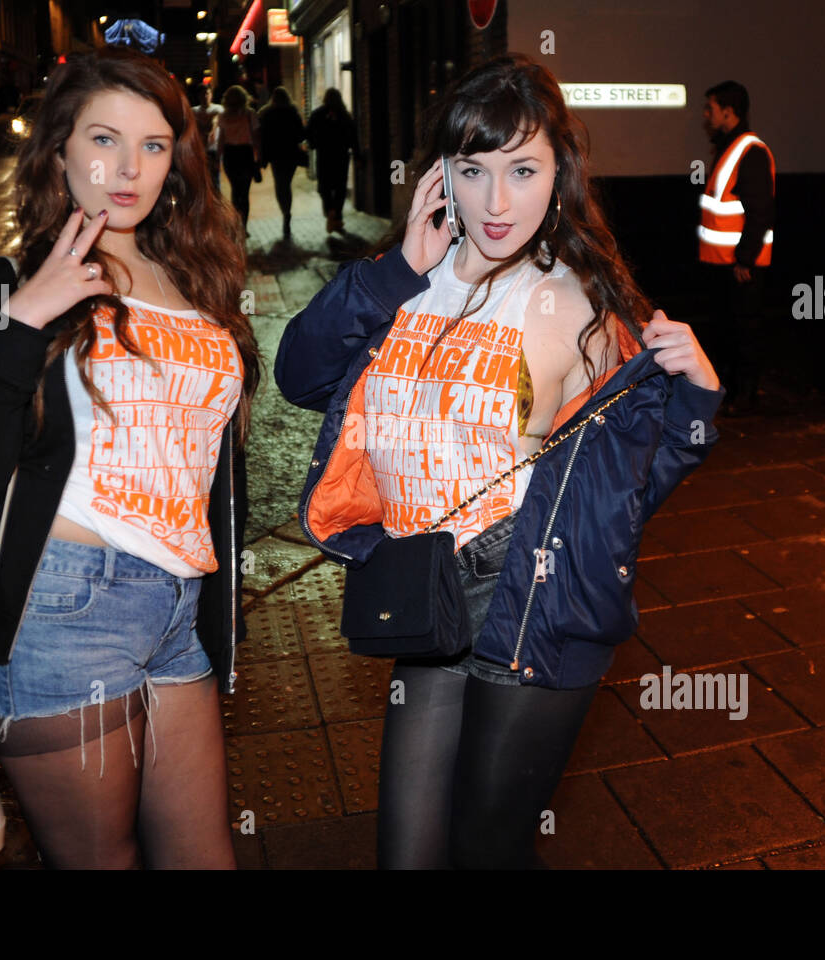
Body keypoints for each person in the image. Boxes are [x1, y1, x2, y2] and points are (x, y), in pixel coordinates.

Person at [275, 53, 725, 868]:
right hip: (428, 592)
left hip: (532, 600)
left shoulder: (577, 303)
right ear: (440, 172)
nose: (496, 203)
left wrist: (695, 400)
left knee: (489, 849)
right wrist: (392, 274)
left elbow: (623, 489)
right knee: (407, 855)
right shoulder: (405, 279)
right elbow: (299, 374)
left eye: (523, 170)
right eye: (473, 169)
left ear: (560, 173)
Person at [0, 44, 259, 869]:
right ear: (60, 150)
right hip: (63, 608)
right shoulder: (4, 281)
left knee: (204, 857)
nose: (129, 168)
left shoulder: (196, 278)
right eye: (104, 140)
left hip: (179, 605)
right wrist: (24, 322)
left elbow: (212, 464)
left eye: (154, 145)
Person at [698, 80, 775, 416]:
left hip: (740, 266)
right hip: (722, 263)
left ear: (728, 112)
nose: (706, 115)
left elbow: (761, 211)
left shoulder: (750, 151)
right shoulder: (729, 148)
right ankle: (729, 392)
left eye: (711, 109)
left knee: (744, 332)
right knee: (727, 331)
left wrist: (744, 259)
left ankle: (745, 397)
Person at [257, 86, 307, 242]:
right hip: (290, 154)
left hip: (276, 155)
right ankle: (287, 212)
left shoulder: (267, 114)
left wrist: (262, 156)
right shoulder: (293, 112)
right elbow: (301, 135)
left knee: (280, 185)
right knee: (286, 183)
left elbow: (262, 136)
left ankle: (285, 212)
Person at [306, 88, 359, 234]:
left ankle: (330, 211)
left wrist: (314, 144)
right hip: (341, 157)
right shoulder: (345, 115)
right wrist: (357, 155)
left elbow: (308, 133)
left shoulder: (317, 114)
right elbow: (353, 137)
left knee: (325, 187)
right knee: (340, 188)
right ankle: (337, 217)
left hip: (324, 156)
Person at [213, 85, 261, 236]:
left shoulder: (223, 116)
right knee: (244, 193)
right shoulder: (250, 114)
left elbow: (221, 139)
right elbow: (256, 137)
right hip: (245, 154)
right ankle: (243, 226)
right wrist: (259, 156)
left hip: (230, 155)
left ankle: (237, 226)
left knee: (235, 190)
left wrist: (218, 158)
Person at [192, 82, 224, 193]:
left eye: (207, 93)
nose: (205, 96)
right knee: (202, 179)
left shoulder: (218, 109)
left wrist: (212, 130)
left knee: (215, 180)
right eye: (202, 94)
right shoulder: (194, 111)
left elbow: (216, 120)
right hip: (199, 150)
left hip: (213, 149)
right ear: (198, 96)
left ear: (211, 94)